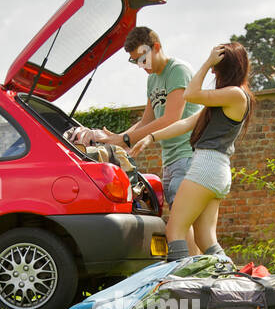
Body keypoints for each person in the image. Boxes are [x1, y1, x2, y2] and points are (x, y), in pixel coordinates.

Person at [72, 28, 203, 254]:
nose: (142, 66)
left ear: (157, 47)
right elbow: (145, 122)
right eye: (136, 62)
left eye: (143, 58)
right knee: (186, 224)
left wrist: (123, 138)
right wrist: (115, 140)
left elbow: (171, 118)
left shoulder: (177, 71)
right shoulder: (153, 79)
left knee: (180, 224)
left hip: (189, 155)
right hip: (171, 159)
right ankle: (202, 272)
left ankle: (195, 271)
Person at [131, 42, 253, 262]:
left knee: (174, 231)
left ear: (226, 68)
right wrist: (151, 137)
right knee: (205, 239)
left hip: (207, 166)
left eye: (216, 68)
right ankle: (226, 280)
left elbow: (191, 93)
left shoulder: (235, 94)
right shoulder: (224, 98)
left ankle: (182, 284)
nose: (213, 72)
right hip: (215, 169)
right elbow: (187, 122)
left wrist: (207, 62)